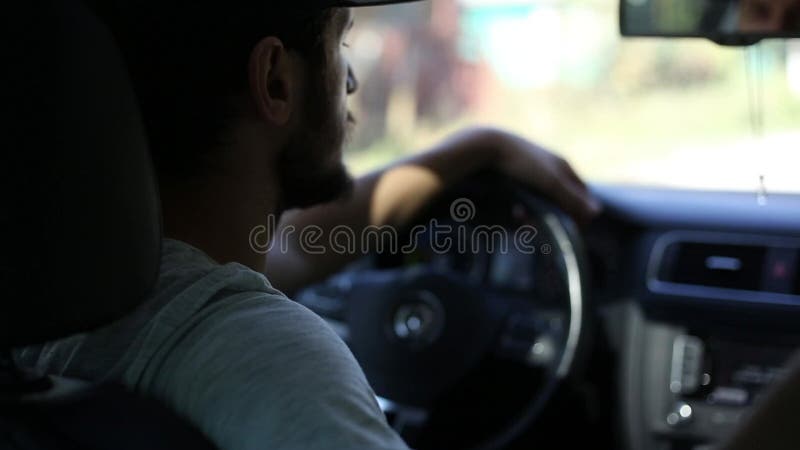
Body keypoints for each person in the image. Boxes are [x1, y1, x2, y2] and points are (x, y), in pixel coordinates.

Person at [15, 2, 600, 450]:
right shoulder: (267, 359)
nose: (349, 81)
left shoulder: (47, 299)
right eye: (339, 40)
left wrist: (475, 146)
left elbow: (294, 244)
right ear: (275, 79)